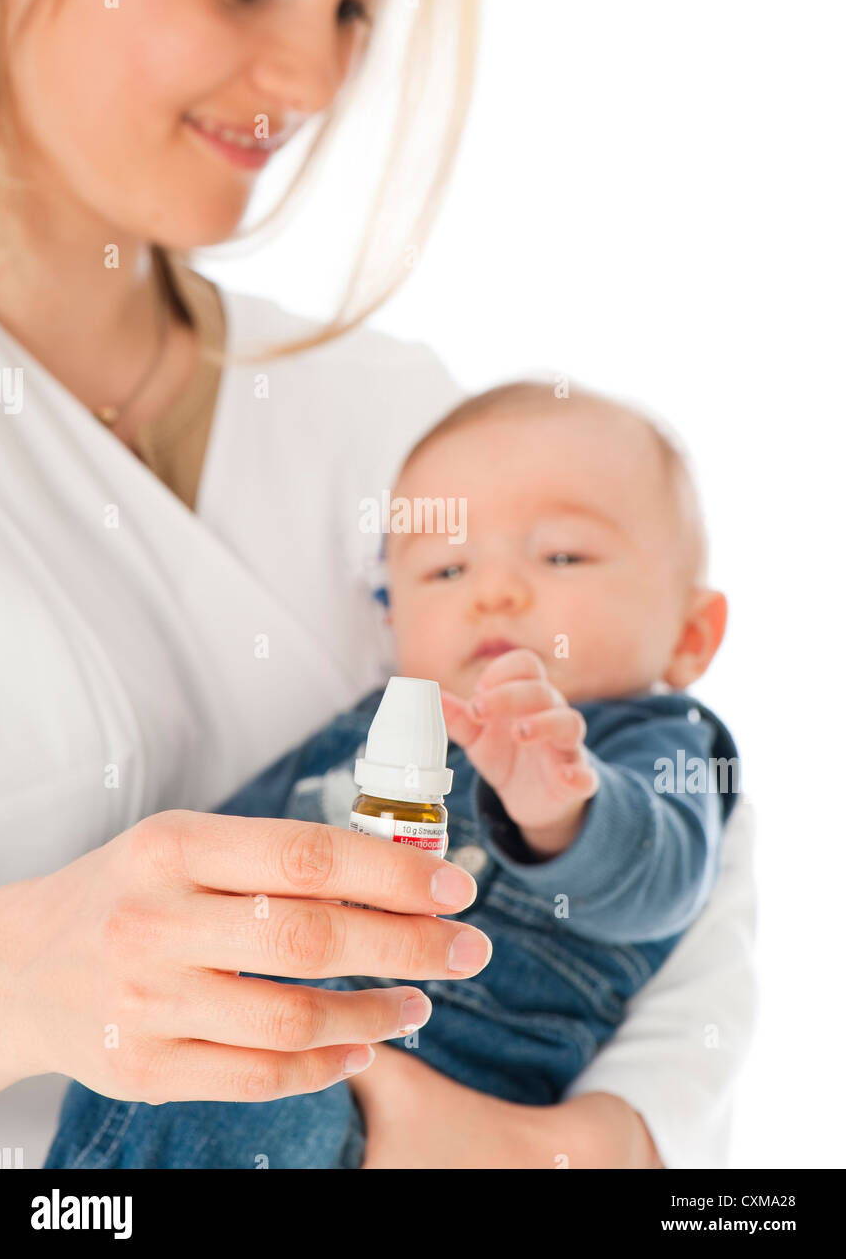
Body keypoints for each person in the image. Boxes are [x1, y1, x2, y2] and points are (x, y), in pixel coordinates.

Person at [0, 0, 755, 1171]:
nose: (311, 74)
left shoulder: (416, 430)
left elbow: (694, 914)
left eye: (356, 5)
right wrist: (11, 981)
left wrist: (551, 1151)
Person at [44, 379, 746, 1168]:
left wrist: (562, 809)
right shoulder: (363, 731)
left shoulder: (659, 746)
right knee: (170, 1058)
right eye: (446, 571)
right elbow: (200, 867)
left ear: (690, 635)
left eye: (560, 555)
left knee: (252, 1093)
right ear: (390, 614)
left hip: (431, 1107)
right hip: (258, 1049)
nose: (493, 592)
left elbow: (661, 880)